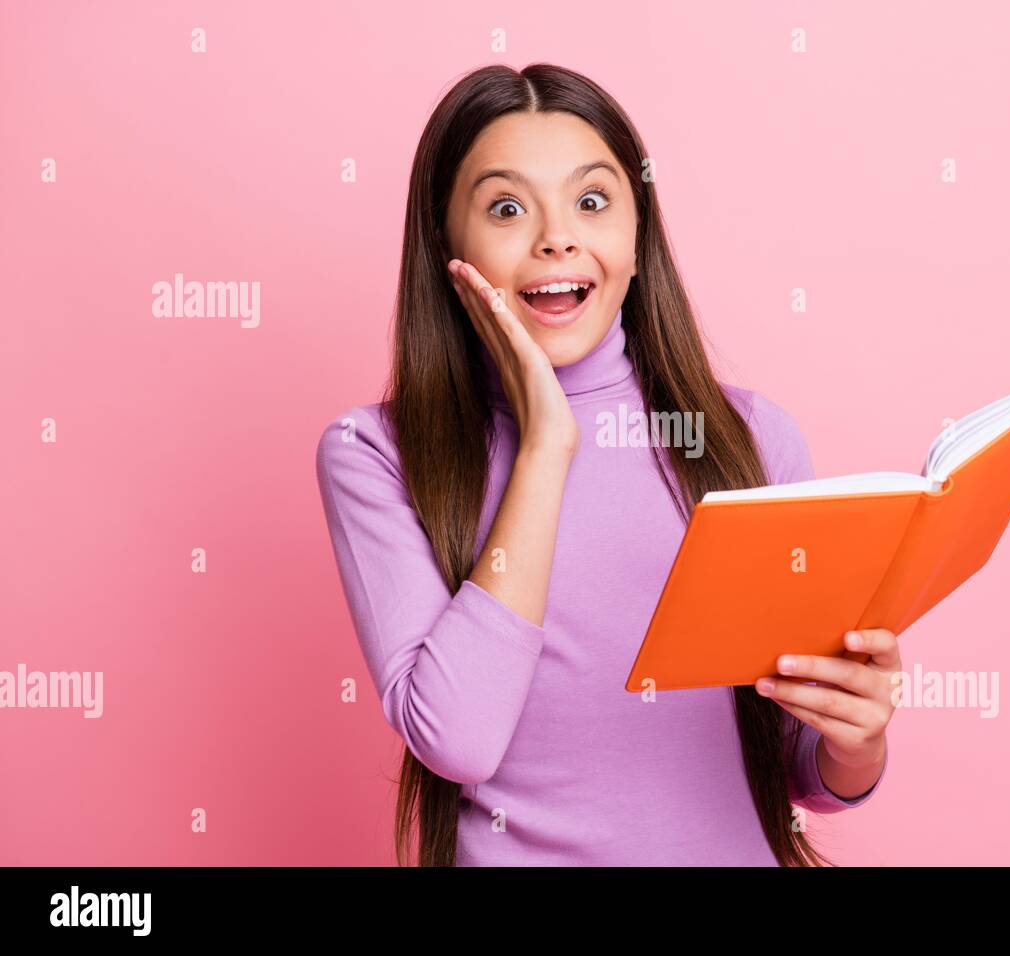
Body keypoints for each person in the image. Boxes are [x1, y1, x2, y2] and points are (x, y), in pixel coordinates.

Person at [315, 62, 896, 866]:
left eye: (592, 201)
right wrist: (546, 444)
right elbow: (458, 738)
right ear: (445, 240)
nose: (558, 237)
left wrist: (856, 741)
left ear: (635, 235)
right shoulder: (375, 454)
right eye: (508, 207)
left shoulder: (743, 439)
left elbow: (795, 760)